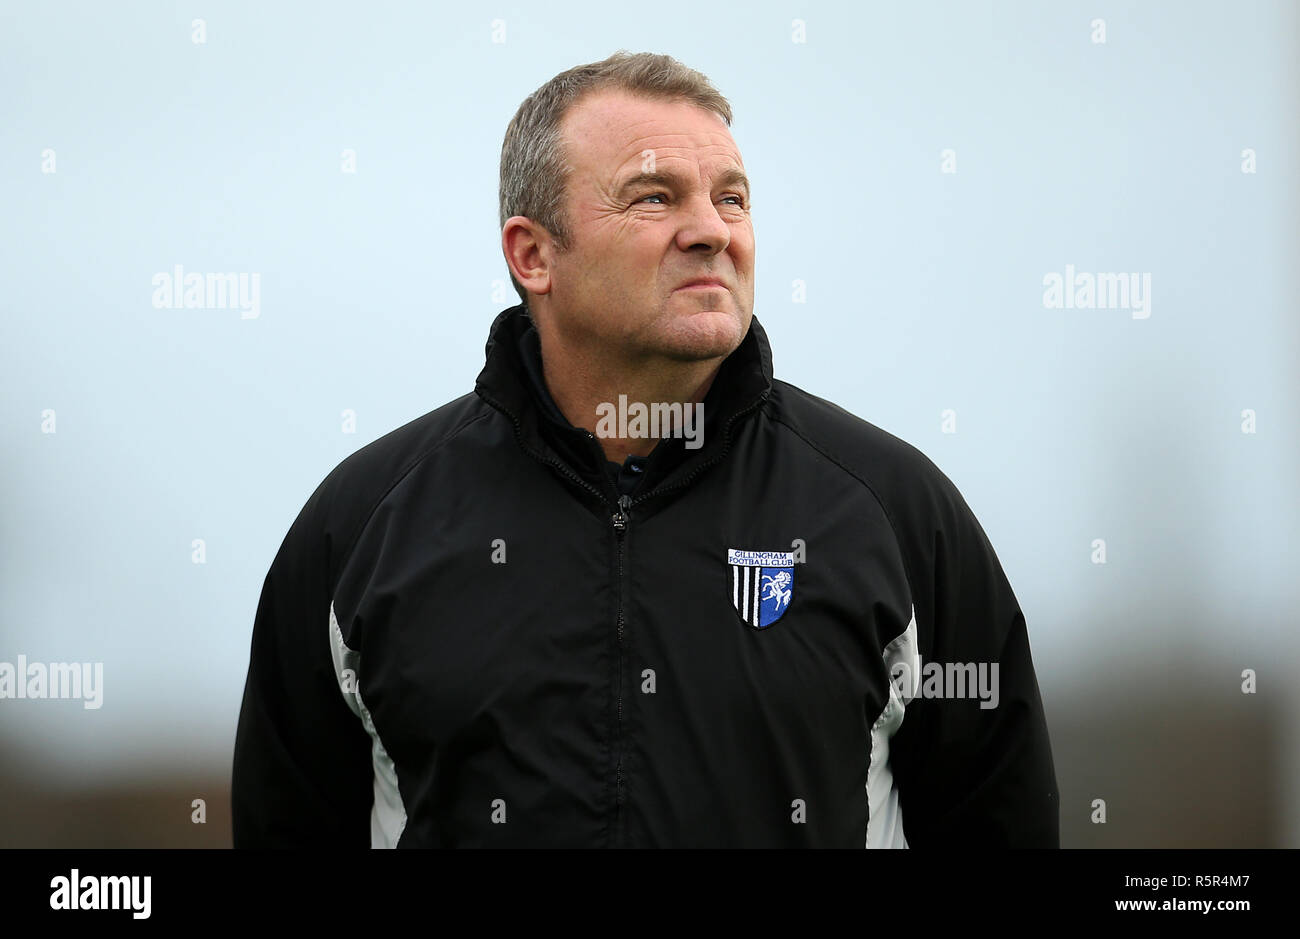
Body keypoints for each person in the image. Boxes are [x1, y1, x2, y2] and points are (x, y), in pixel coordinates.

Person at [232, 50, 1059, 848]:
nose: (711, 231)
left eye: (732, 199)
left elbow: (1002, 819)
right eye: (654, 197)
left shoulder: (894, 512)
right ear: (533, 254)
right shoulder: (363, 527)